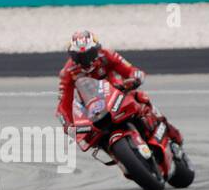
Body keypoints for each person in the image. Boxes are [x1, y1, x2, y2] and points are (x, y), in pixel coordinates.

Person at [55, 30, 183, 146]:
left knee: (141, 98)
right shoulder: (68, 72)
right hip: (94, 109)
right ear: (72, 56)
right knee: (90, 138)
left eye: (89, 54)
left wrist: (134, 78)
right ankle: (121, 159)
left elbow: (130, 70)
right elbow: (64, 104)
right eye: (80, 57)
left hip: (117, 93)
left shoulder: (106, 55)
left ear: (97, 49)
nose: (86, 60)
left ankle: (170, 132)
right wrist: (69, 125)